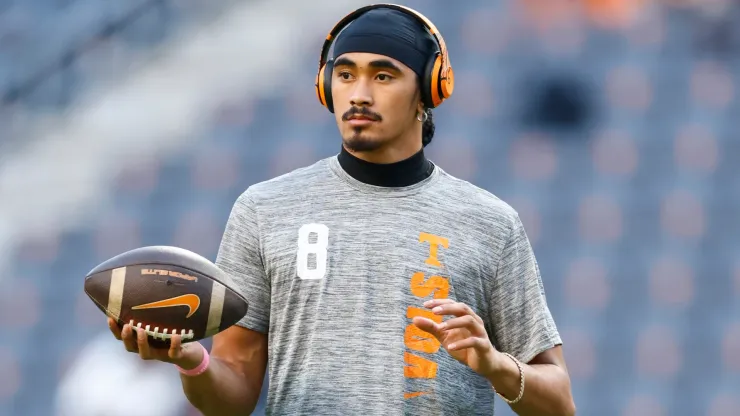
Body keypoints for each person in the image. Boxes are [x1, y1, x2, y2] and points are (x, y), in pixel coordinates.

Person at [108, 4, 576, 415]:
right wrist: (193, 361)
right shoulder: (264, 208)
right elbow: (232, 398)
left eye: (384, 75)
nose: (359, 94)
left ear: (429, 90)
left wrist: (496, 366)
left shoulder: (490, 222)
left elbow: (558, 403)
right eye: (346, 73)